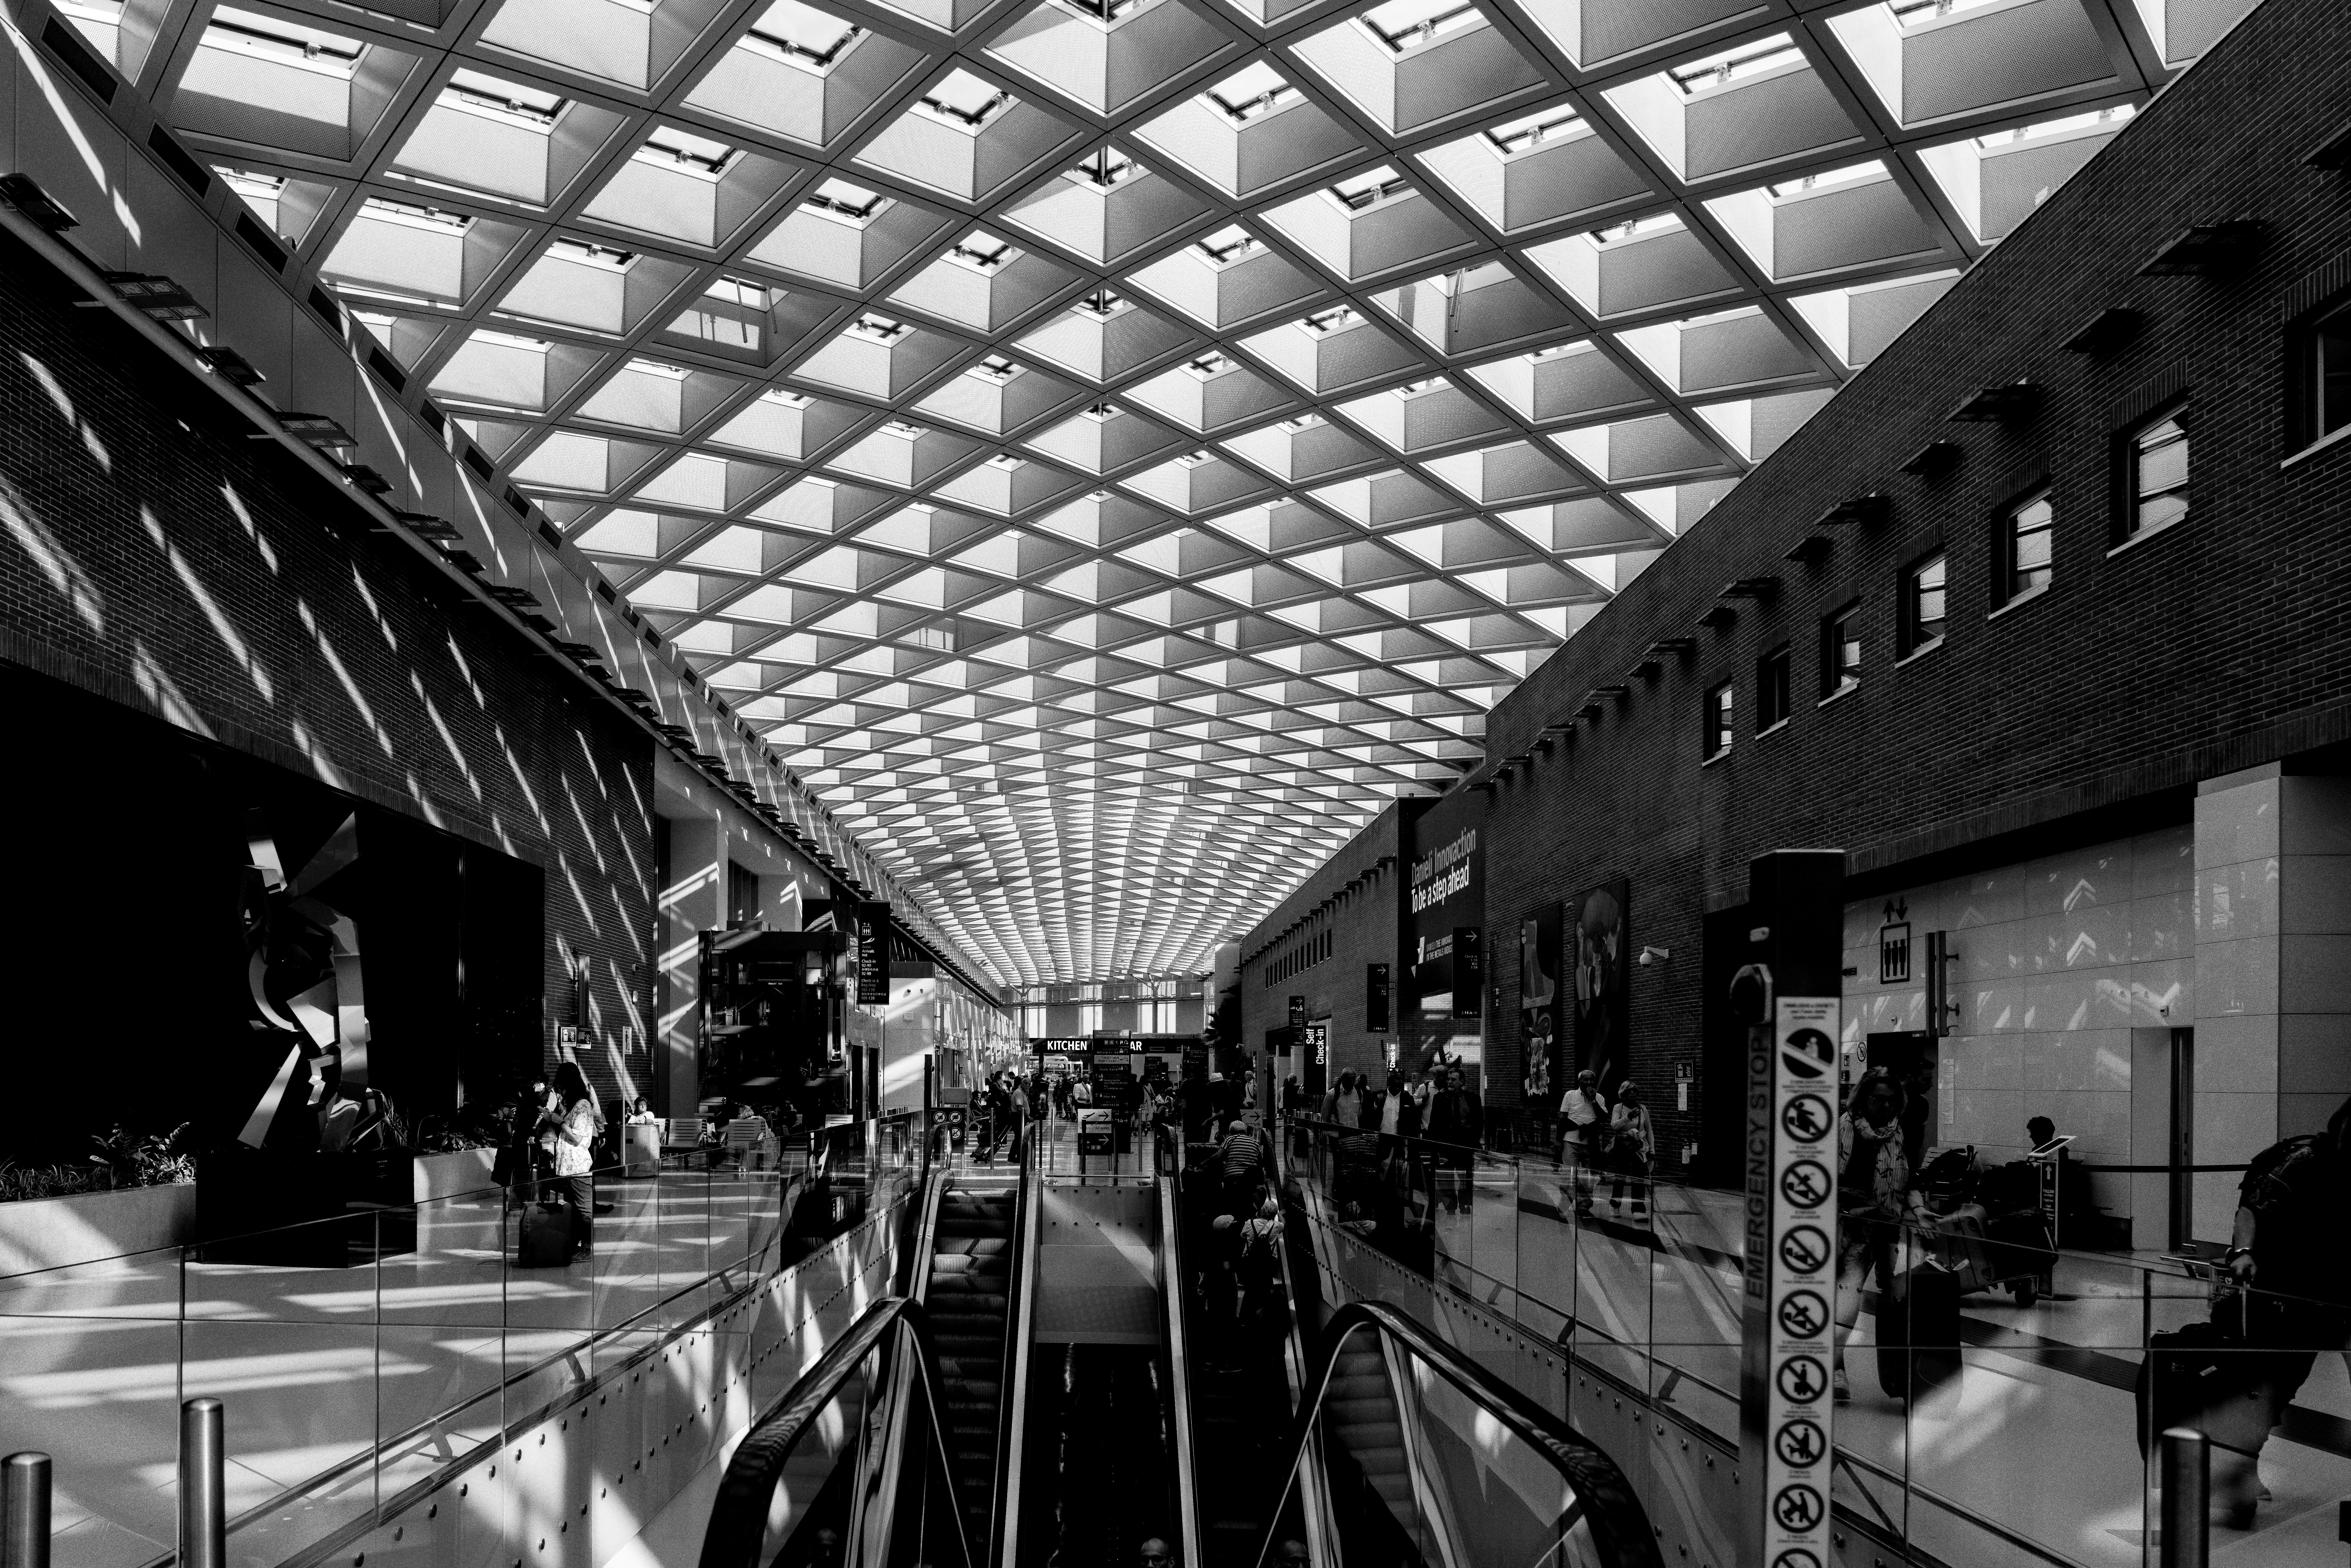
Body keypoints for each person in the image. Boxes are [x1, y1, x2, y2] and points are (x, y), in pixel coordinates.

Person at [2221, 1094, 2351, 1527]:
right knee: (2275, 1388)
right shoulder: (2305, 1161)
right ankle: (2240, 1470)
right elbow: (2251, 1211)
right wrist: (2242, 1253)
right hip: (2293, 1296)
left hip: (2340, 1294)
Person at [1832, 1068, 1917, 1402]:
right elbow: (1826, 1179)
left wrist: (1917, 1206)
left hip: (1887, 1228)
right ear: (1862, 1099)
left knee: (1893, 1299)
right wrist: (1859, 1204)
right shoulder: (1844, 1128)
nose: (1886, 1106)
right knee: (1846, 1300)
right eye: (1879, 1100)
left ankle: (1899, 1374)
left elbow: (1906, 1178)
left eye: (1892, 1101)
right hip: (1849, 1230)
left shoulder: (1897, 1133)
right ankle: (1835, 1370)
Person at [550, 1061, 605, 1256]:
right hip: (568, 1167)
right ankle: (574, 1244)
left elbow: (578, 1137)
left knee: (583, 1209)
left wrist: (560, 1122)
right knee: (572, 1208)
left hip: (579, 1165)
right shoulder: (571, 1105)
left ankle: (588, 1247)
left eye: (562, 1089)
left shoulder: (583, 1105)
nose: (560, 1093)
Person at [1426, 1064, 1483, 1213]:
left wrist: (1473, 1141)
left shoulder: (1473, 1099)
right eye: (1448, 1079)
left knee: (1467, 1179)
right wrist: (1434, 1147)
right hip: (1447, 1148)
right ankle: (1450, 1207)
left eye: (1453, 1079)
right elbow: (1434, 1124)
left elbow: (1479, 1123)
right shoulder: (1440, 1099)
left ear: (1462, 1082)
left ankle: (1465, 1206)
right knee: (1449, 1179)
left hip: (1467, 1147)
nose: (1449, 1082)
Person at [1558, 1070, 1610, 1216]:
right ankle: (1565, 1204)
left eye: (1592, 1080)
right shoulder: (1570, 1095)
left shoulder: (1599, 1098)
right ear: (1579, 1082)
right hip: (1571, 1140)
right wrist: (1558, 1140)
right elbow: (1563, 1118)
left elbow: (1604, 1118)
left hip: (1591, 1143)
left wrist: (1593, 1100)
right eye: (1586, 1080)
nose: (1589, 1083)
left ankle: (1583, 1207)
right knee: (1571, 1175)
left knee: (1589, 1177)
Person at [1608, 1081, 1654, 1218]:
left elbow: (1649, 1130)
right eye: (1630, 1091)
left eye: (1635, 1091)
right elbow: (1614, 1126)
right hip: (1623, 1147)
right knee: (1621, 1177)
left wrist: (1652, 1149)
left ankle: (1639, 1209)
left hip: (1639, 1147)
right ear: (1623, 1095)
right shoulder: (1618, 1108)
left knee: (1639, 1178)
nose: (1633, 1093)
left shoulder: (1643, 1109)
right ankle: (1615, 1206)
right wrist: (1629, 1117)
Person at [1214, 1118, 1265, 1216]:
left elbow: (1218, 1156)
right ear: (1245, 1131)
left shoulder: (1230, 1139)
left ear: (1231, 1132)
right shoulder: (1255, 1142)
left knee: (1230, 1205)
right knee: (1246, 1205)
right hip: (1250, 1180)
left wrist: (1204, 1163)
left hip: (1232, 1178)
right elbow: (1261, 1163)